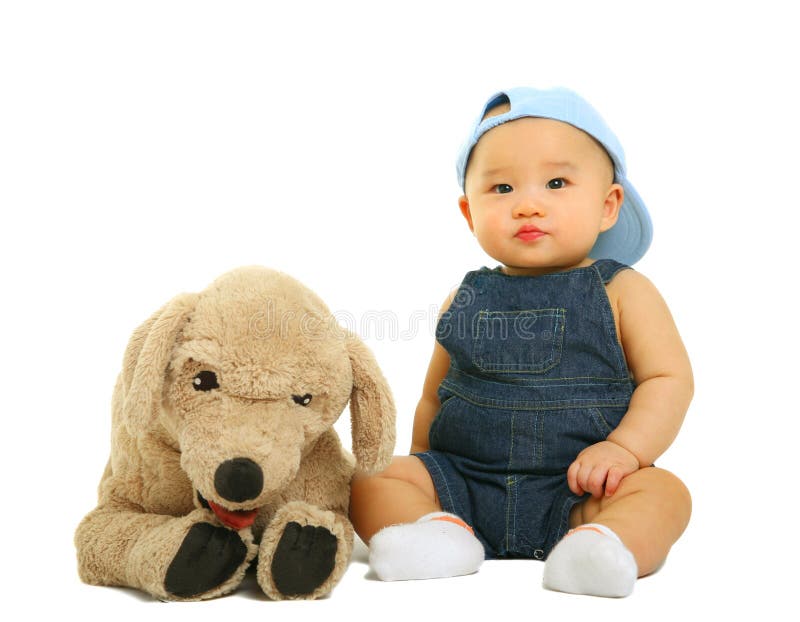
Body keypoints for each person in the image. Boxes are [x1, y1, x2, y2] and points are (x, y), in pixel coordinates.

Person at [349, 87, 693, 598]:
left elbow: (669, 379)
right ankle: (436, 532)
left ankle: (600, 546)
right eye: (502, 188)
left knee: (665, 492)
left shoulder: (623, 291)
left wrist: (625, 449)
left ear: (608, 206)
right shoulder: (463, 297)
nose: (528, 206)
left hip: (579, 490)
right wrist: (421, 470)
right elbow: (433, 397)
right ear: (469, 213)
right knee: (367, 477)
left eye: (556, 183)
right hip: (463, 484)